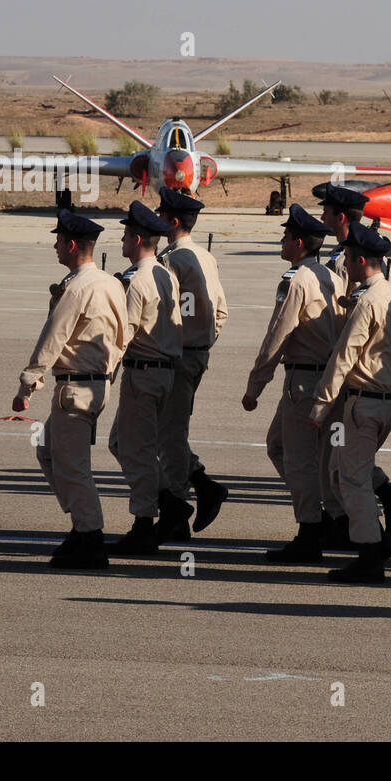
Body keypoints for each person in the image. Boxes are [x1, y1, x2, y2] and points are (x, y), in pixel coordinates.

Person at [13, 209, 127, 569]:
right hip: (95, 383)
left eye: (58, 241)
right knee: (48, 451)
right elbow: (124, 335)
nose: (55, 247)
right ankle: (81, 525)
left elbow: (54, 337)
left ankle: (90, 537)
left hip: (74, 387)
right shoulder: (111, 283)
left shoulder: (76, 288)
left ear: (72, 244)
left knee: (73, 466)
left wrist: (29, 382)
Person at [309, 223, 391, 583]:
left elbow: (343, 357)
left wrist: (321, 406)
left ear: (361, 260)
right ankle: (376, 541)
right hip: (389, 399)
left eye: (349, 259)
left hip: (363, 403)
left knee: (351, 478)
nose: (345, 266)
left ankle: (370, 555)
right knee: (342, 470)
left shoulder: (368, 302)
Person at [316, 182, 391, 532]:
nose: (321, 216)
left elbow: (348, 344)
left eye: (326, 211)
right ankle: (369, 512)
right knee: (343, 460)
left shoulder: (356, 278)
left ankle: (357, 532)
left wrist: (322, 401)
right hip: (374, 388)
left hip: (354, 389)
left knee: (342, 464)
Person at [242, 204, 341, 563]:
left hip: (303, 379)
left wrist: (255, 386)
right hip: (324, 377)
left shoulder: (296, 280)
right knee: (284, 447)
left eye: (285, 236)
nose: (282, 241)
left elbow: (277, 335)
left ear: (298, 243)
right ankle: (324, 516)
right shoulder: (329, 275)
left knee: (297, 457)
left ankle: (310, 530)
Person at [107, 201, 182, 555]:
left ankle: (143, 523)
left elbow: (124, 335)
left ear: (137, 239)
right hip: (163, 371)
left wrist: (103, 380)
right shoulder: (165, 273)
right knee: (123, 443)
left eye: (125, 235)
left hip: (144, 372)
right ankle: (169, 499)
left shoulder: (136, 281)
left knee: (136, 450)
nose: (122, 240)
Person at [155, 188, 229, 541]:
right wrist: (205, 341)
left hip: (177, 356)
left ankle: (180, 506)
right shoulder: (204, 256)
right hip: (198, 353)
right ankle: (193, 491)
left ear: (172, 221)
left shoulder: (171, 261)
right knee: (171, 432)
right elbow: (222, 312)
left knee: (168, 435)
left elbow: (163, 313)